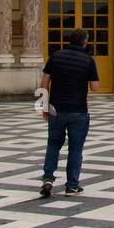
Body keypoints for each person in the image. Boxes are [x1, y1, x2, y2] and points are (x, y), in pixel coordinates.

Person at [39, 28, 100, 198]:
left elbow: (43, 84)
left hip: (56, 109)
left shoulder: (55, 57)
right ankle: (72, 185)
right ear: (85, 42)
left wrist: (44, 107)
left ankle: (48, 178)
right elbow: (95, 88)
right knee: (75, 148)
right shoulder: (88, 60)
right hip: (78, 110)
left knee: (53, 144)